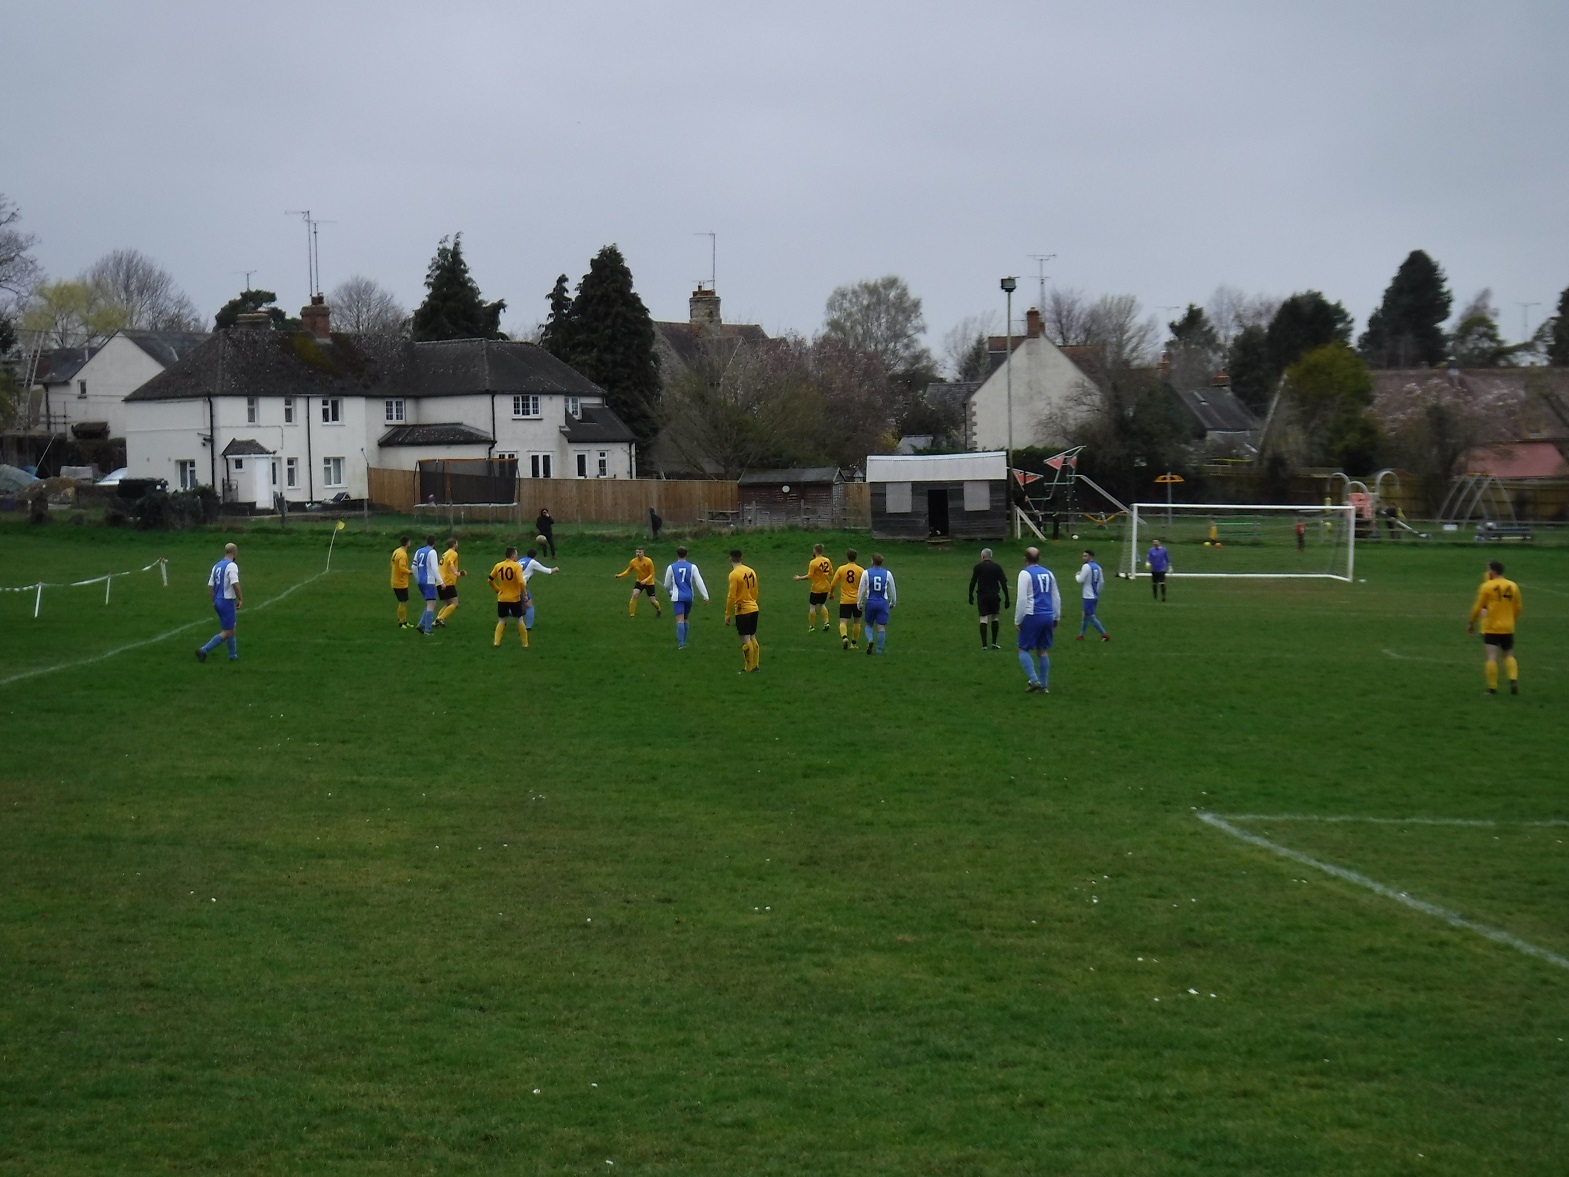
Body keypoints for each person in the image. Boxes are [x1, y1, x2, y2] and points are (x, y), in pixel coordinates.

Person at [1467, 559, 1523, 695]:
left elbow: (1478, 607)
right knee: (1508, 654)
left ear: (1493, 571)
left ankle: (1492, 688)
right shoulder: (1513, 586)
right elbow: (1519, 607)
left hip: (1492, 627)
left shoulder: (1486, 586)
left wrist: (1471, 622)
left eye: (1488, 569)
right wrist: (1512, 619)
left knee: (1491, 657)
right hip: (1508, 627)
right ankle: (1513, 679)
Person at [1015, 546, 1061, 694]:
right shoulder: (1049, 573)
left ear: (1025, 560)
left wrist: (1018, 619)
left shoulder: (1025, 574)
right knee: (1042, 650)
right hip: (1048, 614)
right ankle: (1044, 685)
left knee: (1022, 648)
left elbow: (1022, 599)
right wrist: (1056, 616)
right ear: (1039, 559)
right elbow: (1056, 596)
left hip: (1032, 614)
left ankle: (1034, 680)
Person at [195, 542, 243, 663]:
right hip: (226, 601)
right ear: (235, 553)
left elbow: (210, 586)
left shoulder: (217, 566)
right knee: (227, 632)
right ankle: (203, 650)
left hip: (218, 601)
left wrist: (214, 600)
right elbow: (234, 583)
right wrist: (240, 598)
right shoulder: (232, 566)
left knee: (231, 627)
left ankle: (233, 656)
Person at [664, 545, 710, 649]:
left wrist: (670, 592)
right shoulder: (692, 567)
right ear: (686, 554)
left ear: (677, 554)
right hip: (689, 596)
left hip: (677, 597)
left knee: (679, 619)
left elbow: (666, 584)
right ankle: (684, 640)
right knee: (685, 618)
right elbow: (699, 581)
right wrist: (705, 595)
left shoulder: (671, 567)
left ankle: (681, 643)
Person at [724, 548, 761, 673]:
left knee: (745, 639)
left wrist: (728, 614)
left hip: (742, 609)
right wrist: (753, 601)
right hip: (754, 607)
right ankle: (755, 666)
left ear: (730, 559)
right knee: (752, 636)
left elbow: (731, 596)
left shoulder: (734, 574)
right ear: (742, 558)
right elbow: (756, 590)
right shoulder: (751, 571)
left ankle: (748, 668)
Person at [488, 546, 529, 649]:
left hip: (502, 598)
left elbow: (490, 580)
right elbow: (520, 581)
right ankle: (525, 643)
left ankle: (496, 642)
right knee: (519, 620)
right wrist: (524, 594)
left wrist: (497, 589)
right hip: (514, 598)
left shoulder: (498, 565)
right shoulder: (516, 566)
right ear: (513, 555)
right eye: (516, 554)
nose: (517, 556)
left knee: (501, 620)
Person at [968, 548, 1010, 650]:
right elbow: (1003, 583)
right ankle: (994, 643)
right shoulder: (997, 567)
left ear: (982, 557)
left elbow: (973, 582)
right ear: (990, 556)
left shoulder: (978, 567)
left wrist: (970, 595)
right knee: (995, 618)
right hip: (994, 596)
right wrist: (1007, 598)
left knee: (983, 619)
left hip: (982, 596)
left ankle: (984, 645)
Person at [857, 552, 897, 655]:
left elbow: (861, 588)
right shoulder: (887, 573)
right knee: (881, 627)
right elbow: (892, 589)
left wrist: (859, 602)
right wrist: (893, 601)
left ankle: (870, 639)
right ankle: (879, 650)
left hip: (871, 601)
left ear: (872, 561)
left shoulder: (866, 573)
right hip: (882, 602)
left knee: (869, 624)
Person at [828, 548, 866, 650]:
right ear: (856, 557)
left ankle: (844, 637)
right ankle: (853, 643)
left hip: (845, 600)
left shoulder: (841, 569)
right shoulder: (861, 570)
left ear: (847, 557)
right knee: (857, 622)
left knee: (843, 621)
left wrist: (831, 594)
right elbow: (865, 585)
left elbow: (833, 584)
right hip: (857, 600)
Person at [793, 543, 835, 632]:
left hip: (816, 588)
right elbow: (831, 573)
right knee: (822, 604)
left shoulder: (813, 562)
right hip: (826, 587)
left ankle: (811, 626)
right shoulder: (827, 560)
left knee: (812, 606)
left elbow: (810, 576)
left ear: (815, 551)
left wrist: (799, 578)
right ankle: (826, 622)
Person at [518, 547, 559, 635]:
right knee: (529, 606)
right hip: (521, 586)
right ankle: (528, 627)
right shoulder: (533, 562)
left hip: (512, 585)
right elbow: (547, 571)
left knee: (522, 608)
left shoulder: (521, 560)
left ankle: (505, 613)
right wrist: (555, 569)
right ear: (535, 556)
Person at [615, 547, 662, 617]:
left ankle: (658, 609)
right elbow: (628, 571)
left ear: (643, 553)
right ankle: (632, 614)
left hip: (649, 583)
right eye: (637, 552)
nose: (638, 554)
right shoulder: (633, 562)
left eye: (640, 552)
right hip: (639, 582)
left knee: (652, 601)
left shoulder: (648, 561)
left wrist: (646, 580)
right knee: (634, 595)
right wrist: (620, 575)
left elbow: (652, 574)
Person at [1075, 548, 1109, 641]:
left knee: (1090, 616)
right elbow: (1101, 581)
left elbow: (1080, 580)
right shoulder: (1098, 567)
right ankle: (1081, 635)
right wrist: (1097, 592)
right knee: (1085, 615)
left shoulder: (1086, 567)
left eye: (1085, 556)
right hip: (1094, 595)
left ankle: (1104, 634)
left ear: (1090, 557)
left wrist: (1077, 575)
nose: (1083, 558)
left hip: (1087, 595)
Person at [411, 534, 441, 634]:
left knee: (431, 603)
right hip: (429, 581)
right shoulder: (432, 552)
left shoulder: (419, 551)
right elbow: (435, 569)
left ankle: (421, 625)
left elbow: (414, 567)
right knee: (431, 604)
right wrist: (441, 582)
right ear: (435, 542)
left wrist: (417, 577)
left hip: (420, 581)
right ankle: (427, 630)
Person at [434, 538, 466, 627]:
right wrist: (456, 573)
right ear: (454, 544)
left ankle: (436, 621)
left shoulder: (445, 553)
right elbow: (451, 563)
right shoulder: (453, 553)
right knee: (455, 603)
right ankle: (440, 619)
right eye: (457, 543)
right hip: (447, 582)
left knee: (447, 604)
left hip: (439, 582)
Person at [390, 535, 412, 629]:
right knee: (402, 602)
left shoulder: (396, 551)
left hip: (396, 580)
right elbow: (402, 568)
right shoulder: (402, 554)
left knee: (404, 601)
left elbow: (392, 564)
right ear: (407, 543)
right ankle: (401, 623)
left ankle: (404, 621)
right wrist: (410, 572)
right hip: (400, 582)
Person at [1146, 537, 1171, 601]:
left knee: (1162, 583)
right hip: (1154, 569)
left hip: (1161, 569)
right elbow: (1148, 558)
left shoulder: (1164, 550)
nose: (1155, 543)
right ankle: (1155, 596)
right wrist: (1147, 563)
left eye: (1156, 542)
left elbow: (1167, 558)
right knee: (1154, 583)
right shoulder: (1151, 550)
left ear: (1159, 543)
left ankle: (1163, 597)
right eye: (1154, 542)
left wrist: (1170, 566)